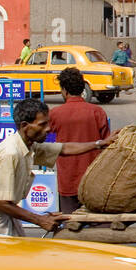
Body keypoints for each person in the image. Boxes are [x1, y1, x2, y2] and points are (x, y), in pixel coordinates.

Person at [0, 98, 111, 236]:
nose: (48, 129)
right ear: (25, 126)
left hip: (6, 212)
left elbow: (64, 149)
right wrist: (40, 220)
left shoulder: (29, 146)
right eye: (42, 124)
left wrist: (99, 144)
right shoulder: (10, 153)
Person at [48, 67, 111, 214]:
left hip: (67, 179)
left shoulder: (55, 114)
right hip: (94, 180)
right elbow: (107, 143)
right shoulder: (97, 112)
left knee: (70, 225)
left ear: (64, 90)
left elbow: (46, 141)